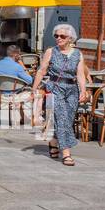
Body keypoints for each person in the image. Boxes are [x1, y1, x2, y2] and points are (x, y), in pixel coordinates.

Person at [30, 22, 89, 166]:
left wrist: (83, 90)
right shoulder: (51, 51)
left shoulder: (77, 54)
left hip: (72, 89)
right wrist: (34, 88)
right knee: (62, 118)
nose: (58, 38)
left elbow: (80, 74)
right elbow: (41, 71)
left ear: (70, 38)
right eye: (56, 36)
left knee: (67, 119)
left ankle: (53, 141)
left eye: (62, 36)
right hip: (54, 87)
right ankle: (66, 153)